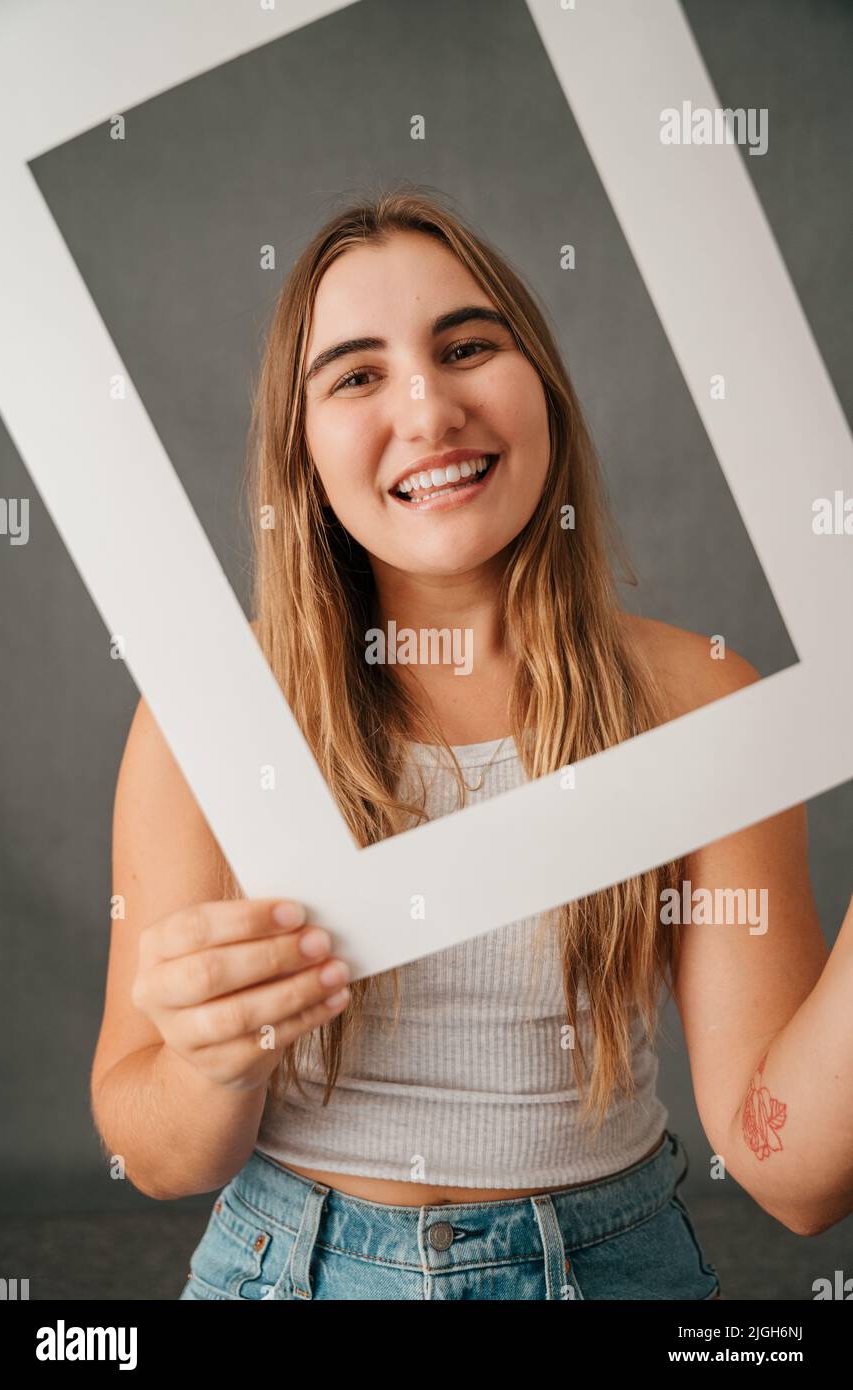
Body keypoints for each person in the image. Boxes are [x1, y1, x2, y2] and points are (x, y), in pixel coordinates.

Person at [91, 187, 833, 1301]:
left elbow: (793, 1173)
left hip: (614, 1267)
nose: (430, 410)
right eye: (356, 374)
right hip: (286, 1267)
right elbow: (153, 1152)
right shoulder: (217, 709)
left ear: (542, 384)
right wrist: (210, 1062)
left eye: (467, 345)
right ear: (303, 450)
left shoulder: (700, 699)